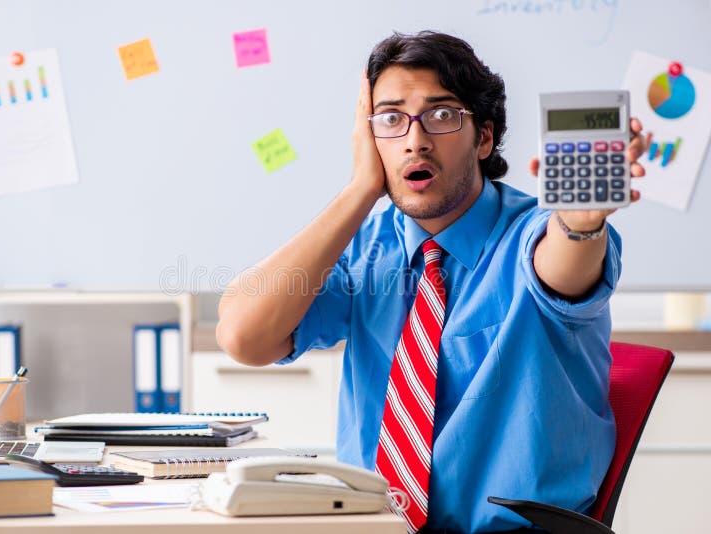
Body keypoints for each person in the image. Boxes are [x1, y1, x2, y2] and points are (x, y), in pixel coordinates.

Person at [216, 31, 645, 533]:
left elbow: (563, 268)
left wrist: (580, 222)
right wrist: (359, 190)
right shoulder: (366, 247)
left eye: (442, 115)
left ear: (483, 137)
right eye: (391, 119)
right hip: (372, 526)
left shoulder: (534, 233)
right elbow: (244, 337)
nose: (415, 140)